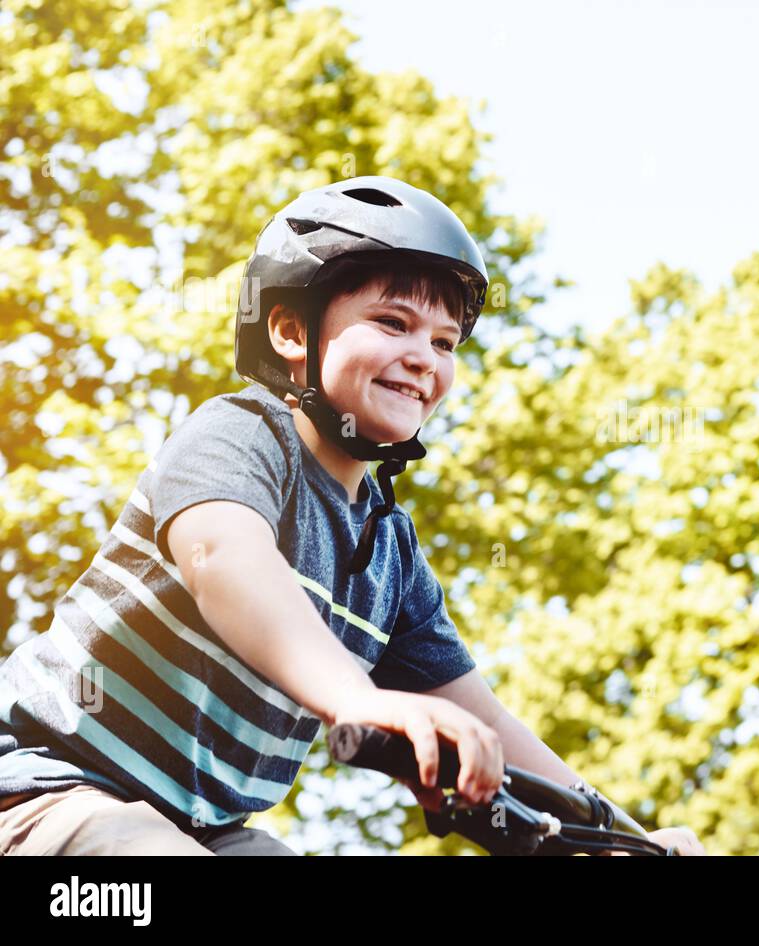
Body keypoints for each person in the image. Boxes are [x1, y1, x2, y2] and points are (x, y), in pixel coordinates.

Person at [0, 176, 705, 856]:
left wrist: (623, 840)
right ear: (288, 329)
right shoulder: (242, 437)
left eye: (444, 341)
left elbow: (485, 717)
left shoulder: (389, 556)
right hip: (45, 789)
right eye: (393, 323)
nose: (422, 357)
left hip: (204, 826)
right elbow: (224, 560)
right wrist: (359, 700)